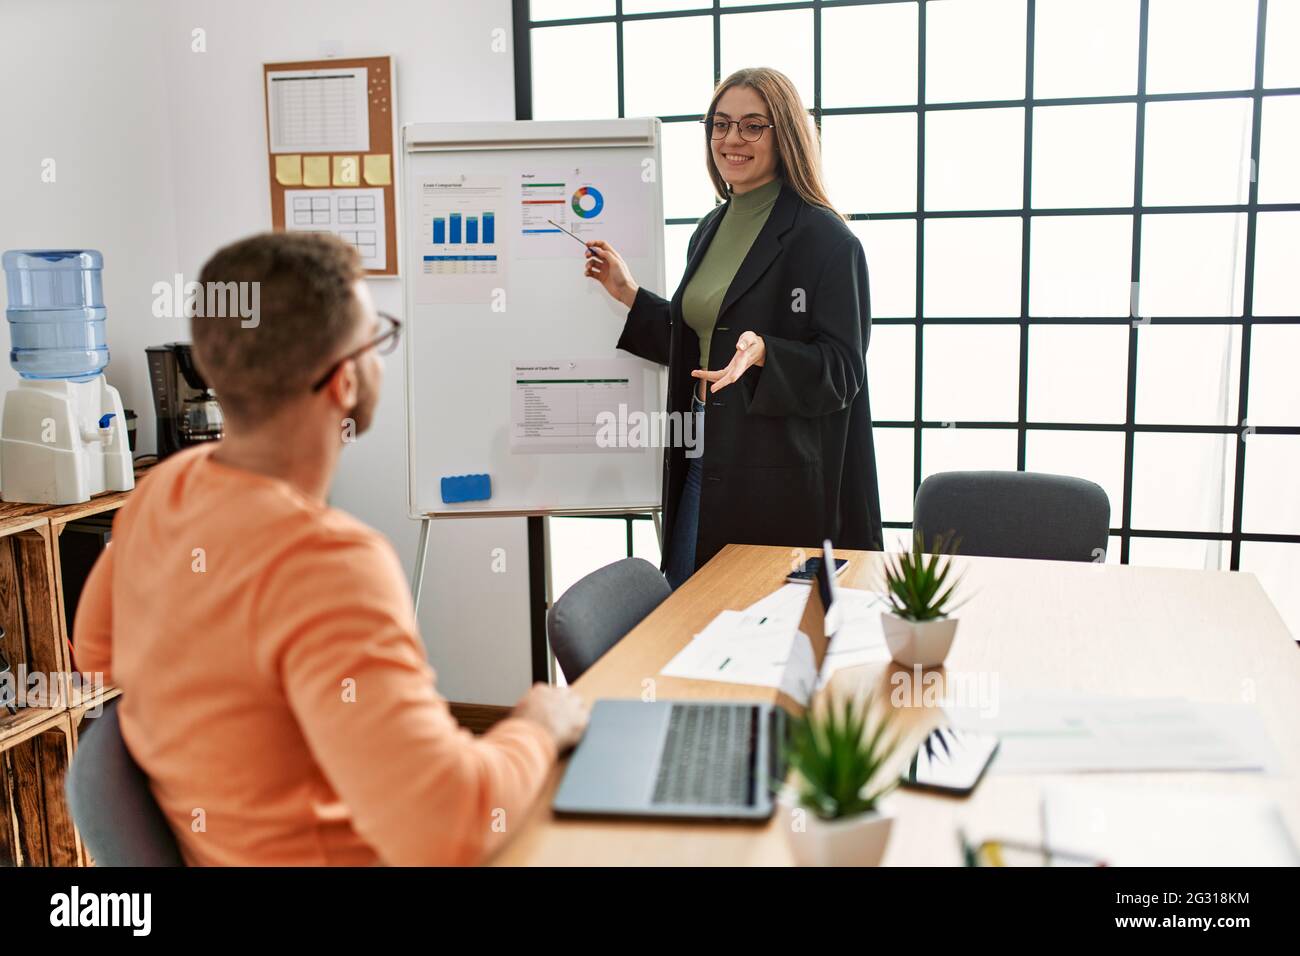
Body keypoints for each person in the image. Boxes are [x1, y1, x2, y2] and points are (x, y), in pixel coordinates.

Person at [74, 232, 588, 866]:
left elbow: (96, 656)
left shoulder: (164, 490)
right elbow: (447, 827)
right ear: (344, 381)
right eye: (377, 339)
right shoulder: (327, 562)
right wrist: (536, 725)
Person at [584, 67, 882, 589]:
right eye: (720, 125)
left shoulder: (827, 240)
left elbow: (841, 372)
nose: (731, 140)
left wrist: (767, 351)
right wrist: (628, 293)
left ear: (784, 133)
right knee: (685, 618)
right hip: (699, 460)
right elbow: (698, 342)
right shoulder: (710, 227)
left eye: (751, 126)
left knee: (758, 639)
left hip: (773, 480)